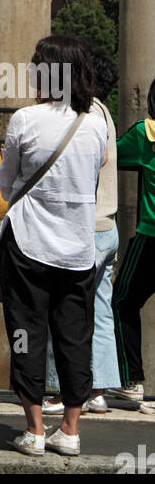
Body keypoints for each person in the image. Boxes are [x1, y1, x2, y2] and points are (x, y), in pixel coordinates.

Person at [0, 35, 107, 457]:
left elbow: (7, 184)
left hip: (28, 245)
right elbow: (95, 174)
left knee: (27, 332)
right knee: (74, 336)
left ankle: (35, 429)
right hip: (78, 248)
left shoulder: (25, 119)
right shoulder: (96, 121)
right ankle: (71, 430)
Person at [43, 47, 120, 415]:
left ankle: (62, 389)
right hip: (109, 226)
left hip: (83, 228)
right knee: (100, 310)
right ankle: (99, 389)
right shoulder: (106, 113)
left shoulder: (83, 113)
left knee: (65, 311)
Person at [112, 75, 155, 408]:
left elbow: (111, 157)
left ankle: (130, 380)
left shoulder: (145, 134)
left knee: (122, 301)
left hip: (151, 236)